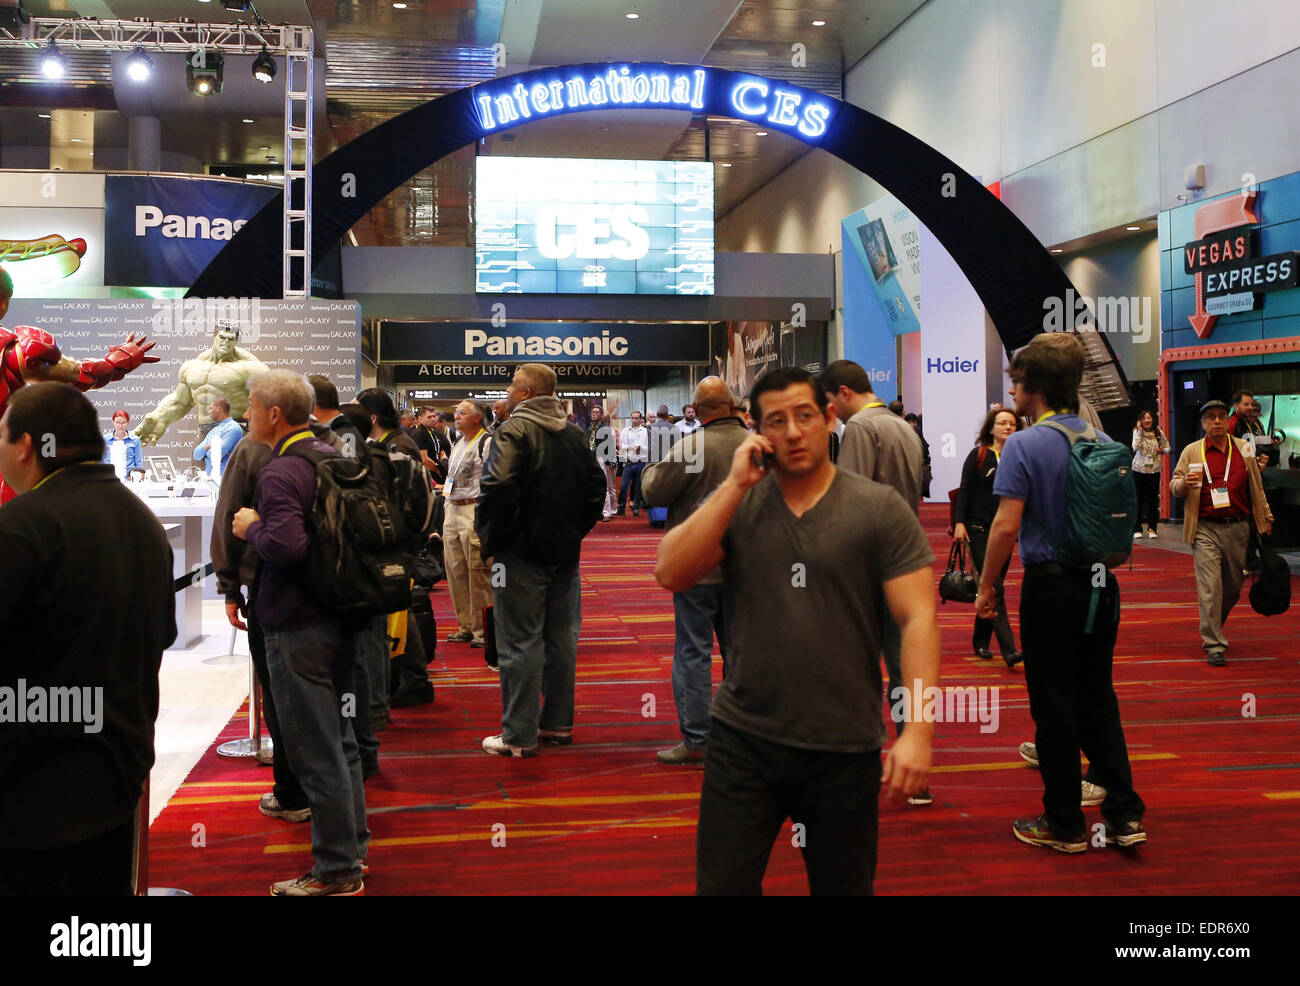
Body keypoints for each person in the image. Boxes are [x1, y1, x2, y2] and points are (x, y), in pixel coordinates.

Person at [655, 366, 938, 895]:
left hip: (844, 745)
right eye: (776, 421)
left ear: (830, 417)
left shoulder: (879, 510)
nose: (792, 431)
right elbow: (671, 572)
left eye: (805, 416)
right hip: (743, 740)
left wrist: (918, 732)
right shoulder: (740, 505)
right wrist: (734, 483)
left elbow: (917, 619)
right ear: (756, 430)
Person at [0, 383, 175, 895]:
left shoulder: (23, 526)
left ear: (27, 445)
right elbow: (159, 635)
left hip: (33, 792)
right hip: (118, 774)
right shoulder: (142, 523)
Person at [975, 333, 1146, 854]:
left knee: (1053, 704)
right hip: (1102, 586)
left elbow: (1005, 527)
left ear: (1034, 386)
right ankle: (1122, 813)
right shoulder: (1097, 437)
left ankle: (1064, 822)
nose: (1013, 390)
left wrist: (986, 591)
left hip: (1050, 588)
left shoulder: (1024, 445)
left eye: (1017, 381)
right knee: (1099, 697)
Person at [232, 370, 369, 895]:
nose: (246, 415)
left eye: (250, 406)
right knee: (343, 741)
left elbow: (287, 547)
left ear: (272, 414)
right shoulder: (337, 457)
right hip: (345, 616)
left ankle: (336, 871)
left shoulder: (281, 471)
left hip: (298, 624)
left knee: (316, 749)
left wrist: (251, 527)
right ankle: (352, 850)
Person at [475, 363, 607, 756]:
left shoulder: (513, 430)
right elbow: (595, 491)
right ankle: (557, 725)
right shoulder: (574, 434)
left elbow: (497, 485)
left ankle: (518, 735)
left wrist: (491, 537)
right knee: (561, 639)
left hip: (519, 554)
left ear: (528, 393)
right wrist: (573, 533)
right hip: (564, 553)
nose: (509, 391)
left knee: (518, 642)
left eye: (514, 385)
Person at [819, 359, 929, 803]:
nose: (830, 413)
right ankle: (910, 763)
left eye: (828, 402)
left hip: (868, 564)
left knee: (857, 668)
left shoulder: (862, 430)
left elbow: (850, 498)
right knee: (903, 666)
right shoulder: (903, 426)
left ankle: (859, 764)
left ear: (844, 392)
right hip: (903, 558)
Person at [641, 377, 748, 765]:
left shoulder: (692, 446)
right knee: (742, 654)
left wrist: (655, 463)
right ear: (734, 405)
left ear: (698, 411)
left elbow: (654, 492)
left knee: (693, 653)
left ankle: (698, 740)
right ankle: (744, 737)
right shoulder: (757, 446)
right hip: (750, 571)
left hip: (699, 567)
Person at [213, 431, 313, 814]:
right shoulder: (333, 445)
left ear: (272, 413)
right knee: (327, 696)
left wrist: (229, 585)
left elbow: (230, 515)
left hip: (273, 591)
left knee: (280, 695)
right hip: (335, 593)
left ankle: (293, 794)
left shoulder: (254, 450)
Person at [308, 374, 389, 776]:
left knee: (356, 657)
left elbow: (353, 493)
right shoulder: (344, 435)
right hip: (359, 560)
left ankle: (366, 732)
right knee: (359, 654)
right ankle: (367, 731)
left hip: (350, 563)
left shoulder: (339, 438)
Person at [1169, 399, 1273, 667]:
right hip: (1204, 528)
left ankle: (1213, 622)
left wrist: (1266, 517)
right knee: (1210, 588)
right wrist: (1183, 484)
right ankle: (1214, 643)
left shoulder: (1244, 449)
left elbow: (1256, 487)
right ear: (1203, 423)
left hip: (1238, 527)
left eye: (1220, 417)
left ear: (1227, 421)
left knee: (1233, 588)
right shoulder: (1192, 452)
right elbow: (1174, 485)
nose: (1216, 421)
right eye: (1210, 418)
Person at [356, 388, 435, 708]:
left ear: (371, 416)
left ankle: (414, 679)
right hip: (395, 543)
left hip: (395, 546)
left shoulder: (397, 446)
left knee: (398, 612)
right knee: (398, 612)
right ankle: (409, 678)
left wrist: (409, 537)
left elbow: (419, 498)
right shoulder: (389, 444)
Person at [953, 408, 1022, 668]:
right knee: (994, 586)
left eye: (1012, 424)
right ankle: (1010, 649)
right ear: (991, 428)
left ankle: (980, 640)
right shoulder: (980, 455)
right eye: (1002, 423)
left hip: (1006, 530)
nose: (1007, 427)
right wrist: (959, 522)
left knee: (992, 584)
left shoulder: (1017, 457)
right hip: (979, 529)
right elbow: (965, 489)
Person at [442, 399, 493, 648]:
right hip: (452, 507)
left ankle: (482, 630)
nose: (456, 417)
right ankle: (464, 625)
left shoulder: (487, 441)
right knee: (455, 571)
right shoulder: (458, 441)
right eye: (455, 413)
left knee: (477, 573)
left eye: (461, 413)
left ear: (477, 417)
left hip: (473, 509)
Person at [1131, 410, 1170, 539]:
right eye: (1144, 418)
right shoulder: (1137, 432)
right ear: (1140, 421)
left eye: (1149, 418)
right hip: (1138, 470)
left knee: (1153, 501)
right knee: (1138, 500)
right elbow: (1135, 447)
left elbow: (1168, 447)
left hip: (1154, 471)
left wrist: (1162, 450)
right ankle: (1137, 529)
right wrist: (1140, 431)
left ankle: (1152, 528)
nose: (1147, 420)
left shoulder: (1158, 433)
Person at [192, 396, 243, 480]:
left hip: (226, 482)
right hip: (211, 481)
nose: (209, 412)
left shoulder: (233, 428)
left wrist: (208, 450)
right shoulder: (215, 430)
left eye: (211, 408)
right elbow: (196, 455)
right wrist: (210, 446)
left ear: (218, 409)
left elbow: (215, 455)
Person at [586, 403, 619, 520]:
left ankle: (607, 512)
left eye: (596, 413)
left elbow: (609, 446)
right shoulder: (590, 428)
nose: (594, 414)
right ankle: (606, 511)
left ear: (600, 415)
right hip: (593, 457)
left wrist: (610, 462)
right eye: (593, 412)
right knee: (600, 486)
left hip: (602, 458)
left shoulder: (604, 428)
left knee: (607, 487)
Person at [618, 409, 649, 516]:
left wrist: (640, 448)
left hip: (641, 462)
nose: (635, 420)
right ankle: (621, 508)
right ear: (631, 419)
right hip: (629, 462)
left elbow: (648, 447)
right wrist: (632, 447)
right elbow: (622, 446)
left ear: (641, 419)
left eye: (637, 418)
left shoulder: (645, 431)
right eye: (633, 418)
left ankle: (636, 508)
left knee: (638, 487)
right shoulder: (625, 431)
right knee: (623, 486)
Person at [102, 408, 144, 480]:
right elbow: (101, 460)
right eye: (118, 422)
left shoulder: (135, 440)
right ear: (113, 422)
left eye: (123, 422)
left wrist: (138, 476)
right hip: (108, 478)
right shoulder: (105, 439)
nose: (120, 425)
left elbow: (138, 461)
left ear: (128, 422)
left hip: (129, 478)